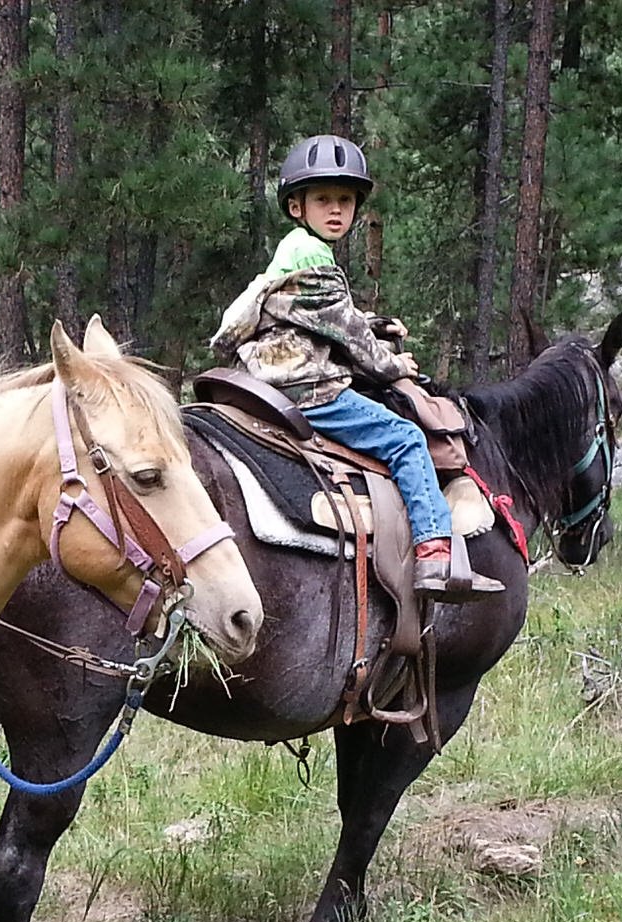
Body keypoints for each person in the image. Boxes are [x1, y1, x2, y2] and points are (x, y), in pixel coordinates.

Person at [212, 134, 502, 601]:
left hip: (272, 379)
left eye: (345, 200)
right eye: (323, 199)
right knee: (406, 439)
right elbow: (353, 340)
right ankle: (434, 553)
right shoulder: (313, 260)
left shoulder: (289, 256)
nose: (335, 210)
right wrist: (394, 364)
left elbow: (321, 321)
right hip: (311, 389)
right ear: (295, 207)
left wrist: (376, 325)